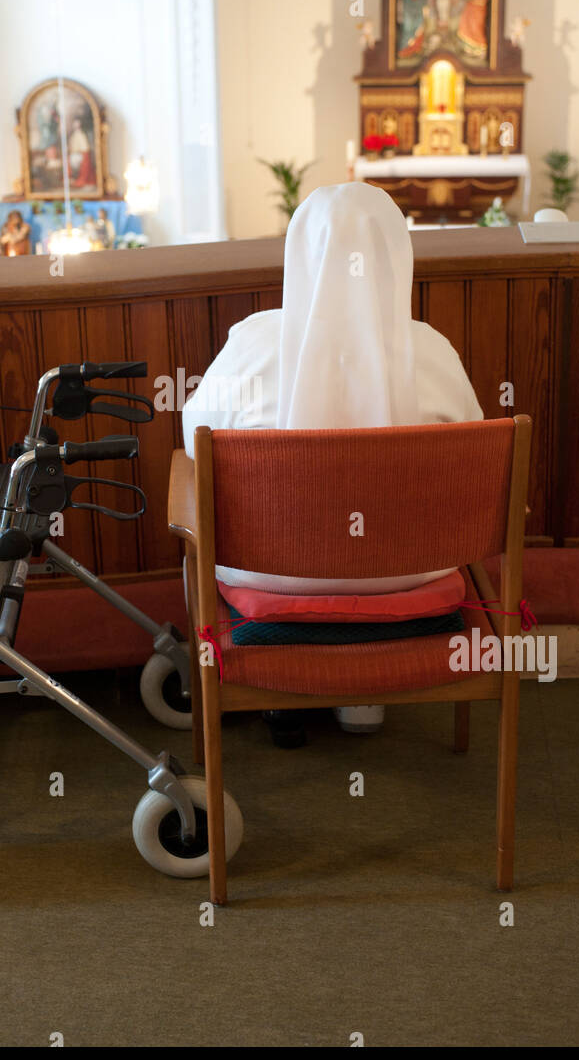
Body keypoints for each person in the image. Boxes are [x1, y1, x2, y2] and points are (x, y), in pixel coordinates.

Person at [182, 182, 483, 739]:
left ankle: (289, 694)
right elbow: (476, 464)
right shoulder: (433, 350)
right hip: (409, 570)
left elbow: (194, 441)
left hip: (272, 572)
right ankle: (365, 700)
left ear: (298, 254)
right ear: (399, 256)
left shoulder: (251, 341)